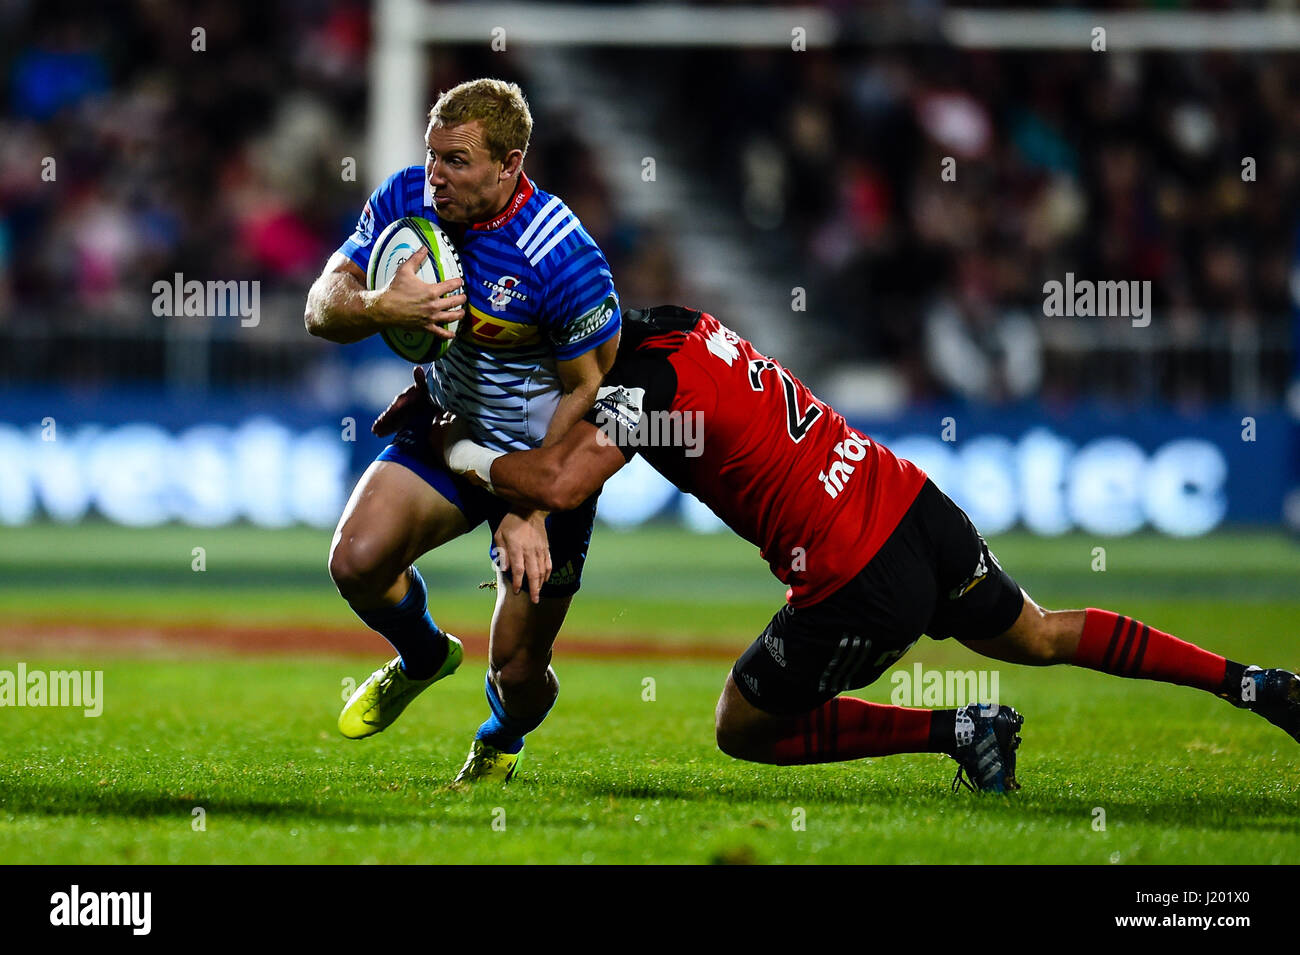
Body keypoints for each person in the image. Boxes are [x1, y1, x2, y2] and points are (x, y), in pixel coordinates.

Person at [377, 304, 1299, 791]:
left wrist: (453, 435)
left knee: (742, 727)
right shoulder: (683, 326)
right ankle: (1250, 682)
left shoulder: (638, 383)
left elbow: (561, 481)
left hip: (853, 572)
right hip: (908, 500)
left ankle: (958, 727)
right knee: (1041, 632)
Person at [304, 78, 621, 783]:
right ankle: (421, 654)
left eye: (457, 161)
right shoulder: (404, 199)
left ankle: (501, 734)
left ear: (510, 165)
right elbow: (321, 307)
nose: (434, 176)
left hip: (541, 457)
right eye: (431, 155)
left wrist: (533, 505)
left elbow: (588, 390)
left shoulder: (562, 256)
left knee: (516, 670)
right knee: (355, 560)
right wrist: (380, 304)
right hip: (449, 430)